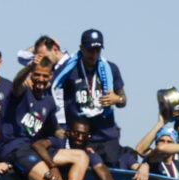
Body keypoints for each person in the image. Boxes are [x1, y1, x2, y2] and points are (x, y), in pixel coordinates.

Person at [54, 29, 126, 167]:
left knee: (111, 175)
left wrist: (117, 99)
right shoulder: (69, 69)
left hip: (106, 135)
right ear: (81, 48)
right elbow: (51, 90)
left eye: (97, 50)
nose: (94, 55)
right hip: (80, 136)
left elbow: (124, 100)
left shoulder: (110, 68)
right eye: (90, 50)